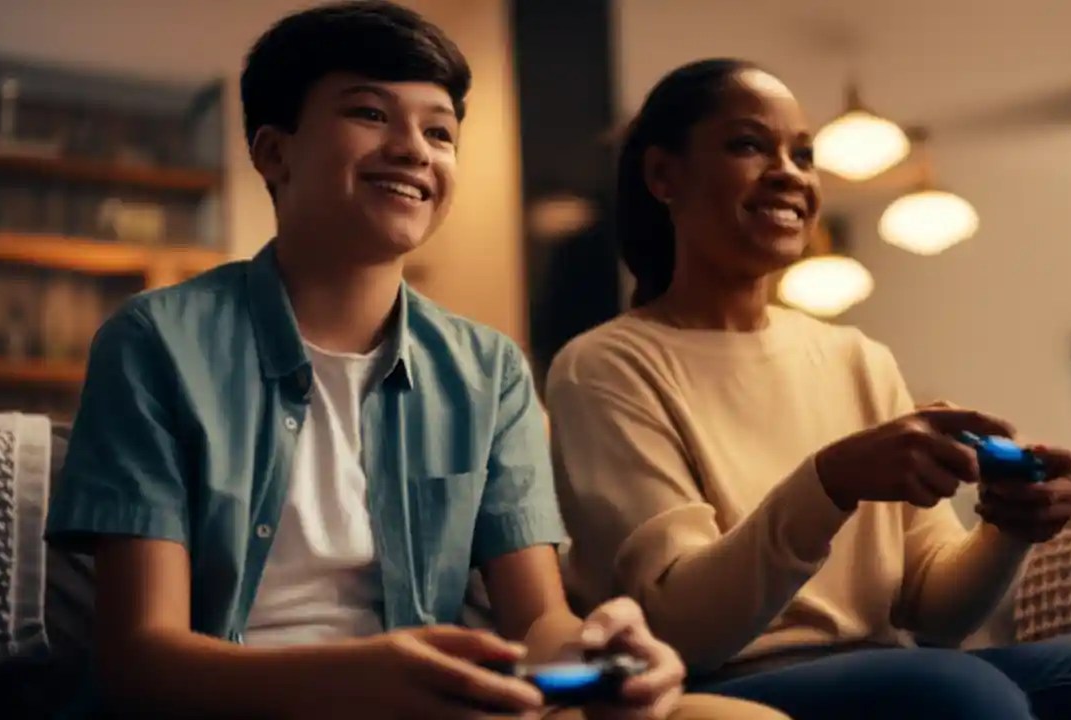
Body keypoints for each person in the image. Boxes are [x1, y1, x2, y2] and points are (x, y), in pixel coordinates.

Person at [44, 6, 787, 719]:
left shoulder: (489, 370)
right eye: (370, 114)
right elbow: (140, 660)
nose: (413, 150)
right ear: (275, 151)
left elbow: (538, 624)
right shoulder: (157, 341)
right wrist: (357, 679)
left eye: (440, 131)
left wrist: (603, 651)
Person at [544, 57, 1071, 720]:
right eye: (750, 145)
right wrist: (830, 482)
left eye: (803, 156)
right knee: (957, 693)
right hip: (731, 686)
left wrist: (1006, 528)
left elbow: (935, 612)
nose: (787, 174)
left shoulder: (855, 356)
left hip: (903, 666)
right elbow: (680, 630)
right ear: (664, 174)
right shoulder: (604, 366)